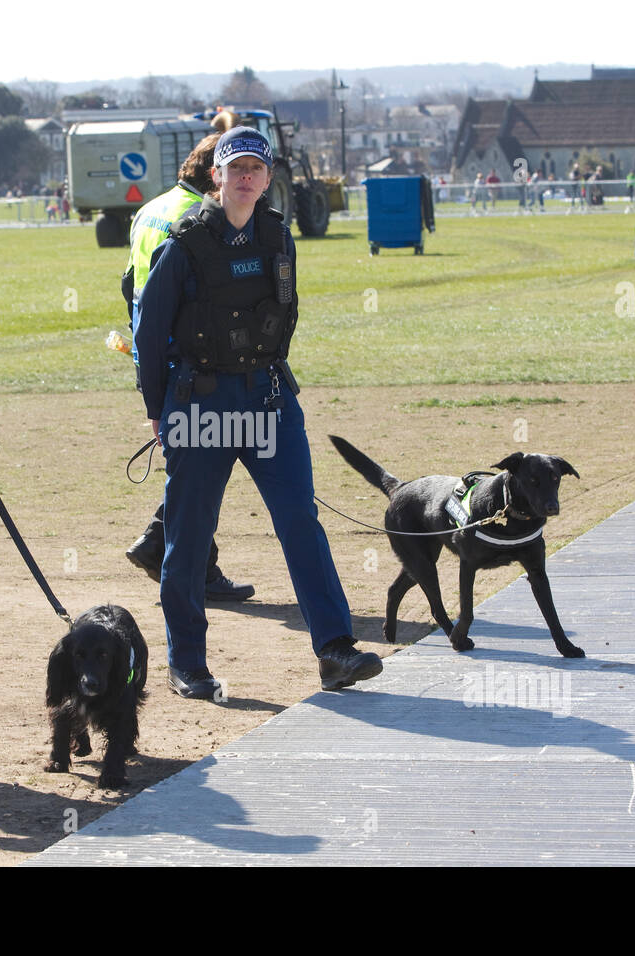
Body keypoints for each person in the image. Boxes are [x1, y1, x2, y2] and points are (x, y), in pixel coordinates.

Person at [134, 126, 383, 699]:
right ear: (216, 175)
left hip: (268, 399)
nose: (245, 177)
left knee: (300, 519)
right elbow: (149, 335)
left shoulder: (278, 237)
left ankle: (336, 650)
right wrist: (156, 410)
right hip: (199, 403)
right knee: (189, 535)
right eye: (235, 167)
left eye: (256, 168)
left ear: (268, 178)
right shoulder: (185, 243)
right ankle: (187, 664)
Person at [120, 131, 254, 601]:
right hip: (188, 358)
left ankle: (164, 545)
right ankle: (178, 556)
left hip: (151, 342)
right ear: (214, 178)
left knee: (195, 462)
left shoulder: (151, 207)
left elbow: (129, 280)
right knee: (203, 463)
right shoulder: (196, 219)